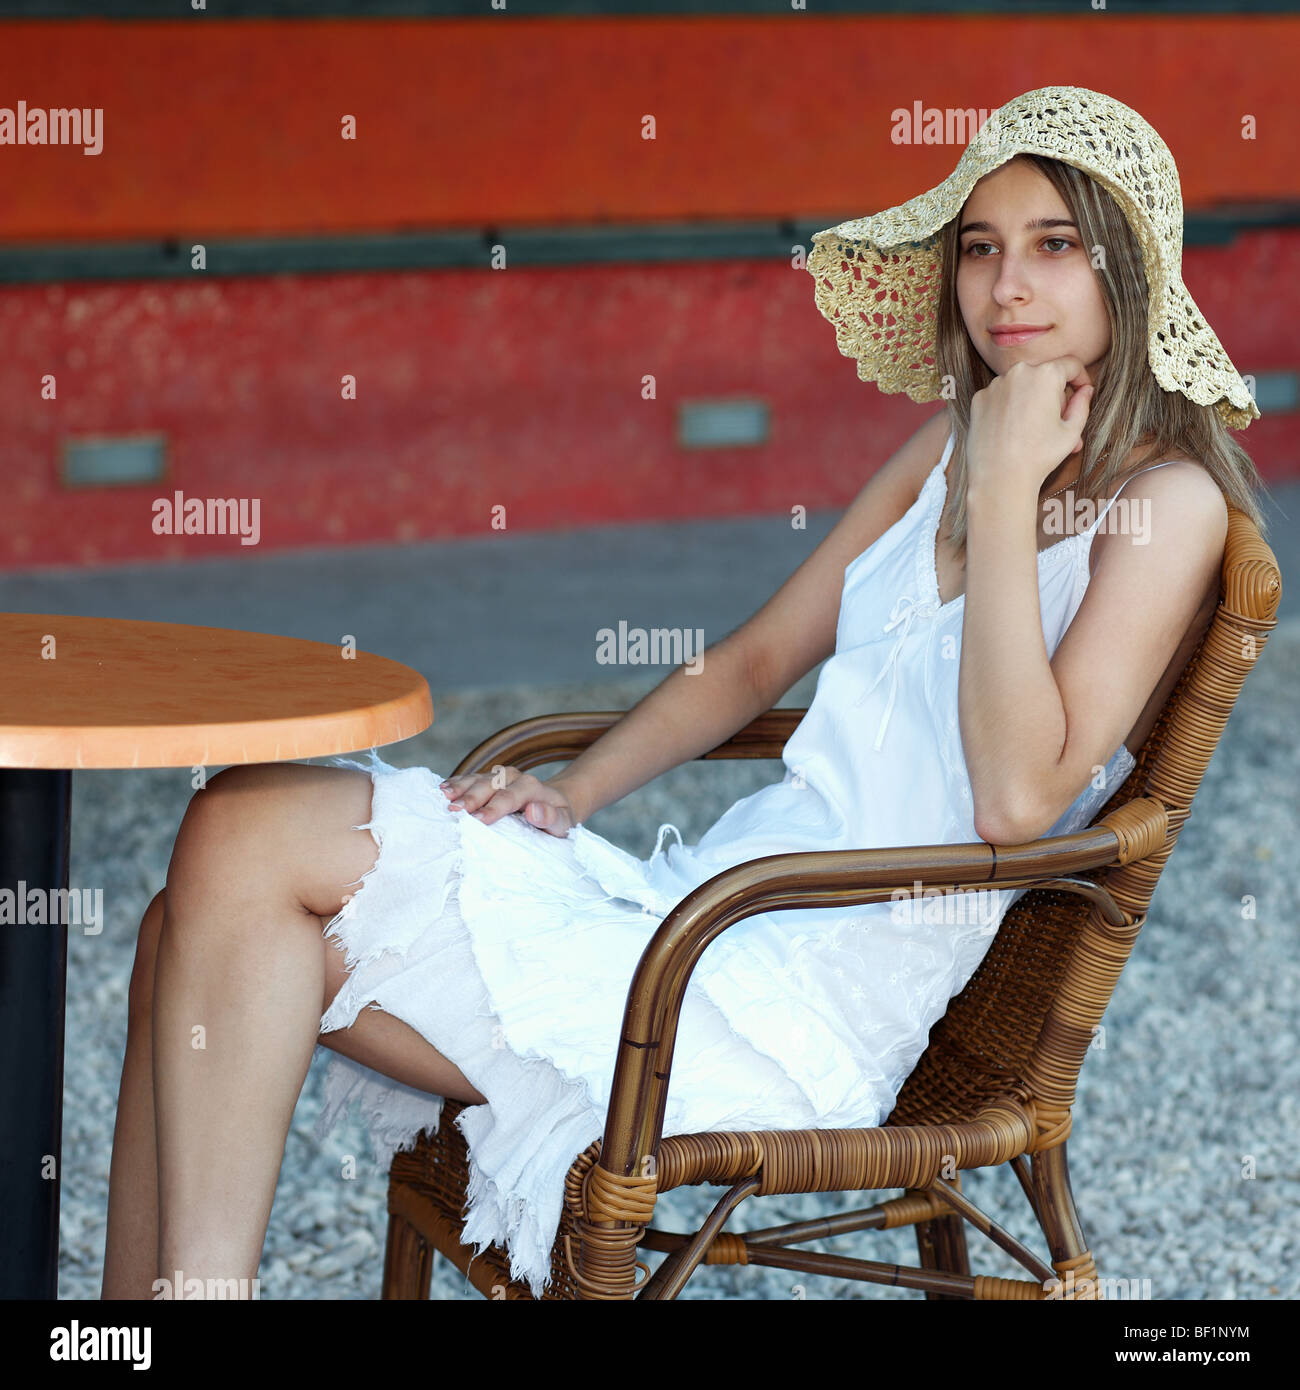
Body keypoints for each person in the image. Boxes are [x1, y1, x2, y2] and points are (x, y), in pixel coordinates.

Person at [101, 86, 1269, 1300]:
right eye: (980, 247)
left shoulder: (1165, 506)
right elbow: (756, 661)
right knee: (186, 913)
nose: (1006, 286)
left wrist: (1011, 491)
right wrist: (575, 790)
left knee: (238, 833)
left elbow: (1017, 801)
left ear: (1129, 268)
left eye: (1053, 245)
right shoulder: (946, 449)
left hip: (783, 1007)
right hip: (693, 917)